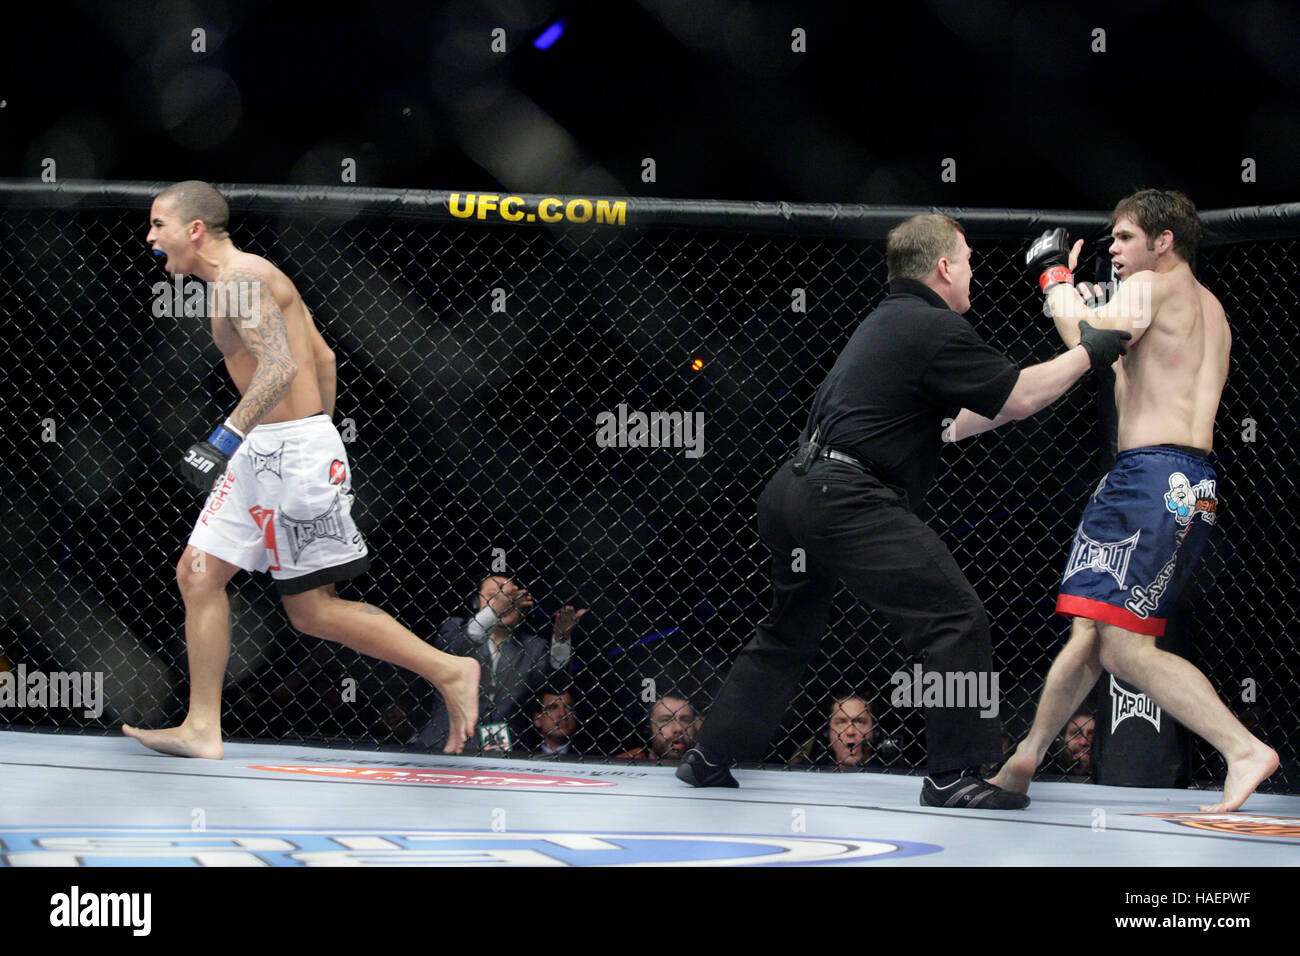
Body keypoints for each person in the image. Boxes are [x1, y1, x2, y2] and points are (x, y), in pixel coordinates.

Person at [677, 213, 1132, 807]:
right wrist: (1089, 354)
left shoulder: (889, 322)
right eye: (967, 260)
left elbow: (966, 419)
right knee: (954, 617)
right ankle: (954, 774)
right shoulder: (930, 327)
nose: (974, 273)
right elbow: (1020, 397)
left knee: (789, 629)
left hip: (795, 491)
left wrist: (1070, 362)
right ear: (943, 267)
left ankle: (709, 755)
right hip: (845, 497)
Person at [123, 181, 480, 758]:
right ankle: (202, 727)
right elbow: (324, 359)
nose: (150, 238)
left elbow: (280, 369)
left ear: (193, 230)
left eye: (158, 224)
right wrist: (312, 433)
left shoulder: (241, 280)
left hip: (282, 449)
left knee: (312, 611)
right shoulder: (240, 280)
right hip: (273, 447)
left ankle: (450, 669)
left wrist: (235, 439)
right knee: (198, 574)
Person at [991, 190, 1278, 812]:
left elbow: (1091, 346)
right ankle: (1027, 758)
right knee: (1092, 631)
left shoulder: (1154, 287)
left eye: (1123, 238)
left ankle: (1242, 747)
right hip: (1192, 483)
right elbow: (1126, 366)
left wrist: (1054, 279)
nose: (1114, 250)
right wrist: (1087, 308)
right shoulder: (1213, 309)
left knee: (1123, 646)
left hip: (1148, 478)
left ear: (1164, 240)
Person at [413, 574, 584, 752]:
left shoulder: (533, 647)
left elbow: (557, 684)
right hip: (444, 744)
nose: (504, 601)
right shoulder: (454, 628)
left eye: (510, 596)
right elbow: (453, 646)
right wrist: (492, 613)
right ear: (476, 603)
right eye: (494, 595)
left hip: (507, 750)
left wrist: (561, 640)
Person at [619, 693, 698, 760]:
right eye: (666, 720)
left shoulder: (706, 765)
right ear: (649, 727)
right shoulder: (626, 761)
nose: (678, 728)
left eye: (686, 720)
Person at [532, 686, 579, 756]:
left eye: (568, 707)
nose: (562, 714)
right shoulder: (522, 753)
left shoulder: (593, 756)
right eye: (553, 708)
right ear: (537, 718)